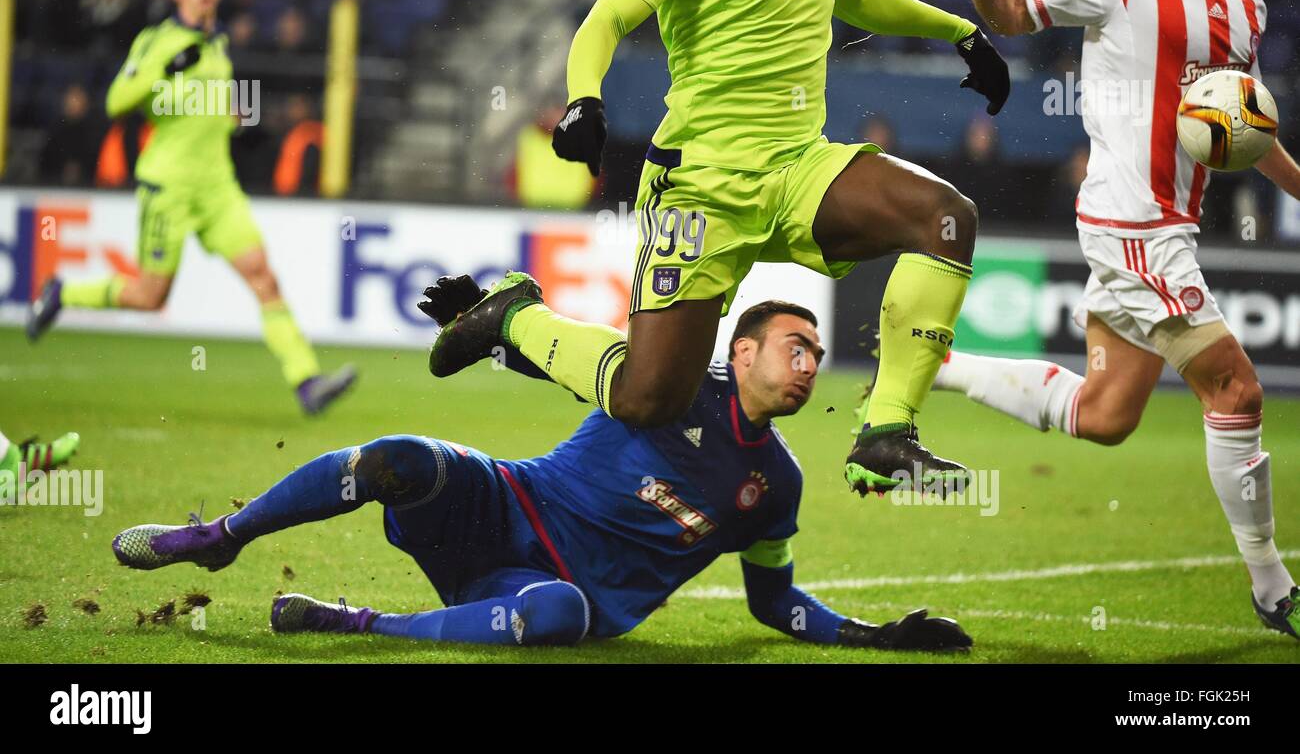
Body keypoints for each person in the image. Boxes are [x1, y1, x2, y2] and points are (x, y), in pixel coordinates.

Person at [429, 0, 1011, 496]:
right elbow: (609, 13)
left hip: (799, 168)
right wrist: (585, 97)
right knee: (649, 400)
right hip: (700, 190)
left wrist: (961, 33)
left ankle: (885, 433)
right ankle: (514, 317)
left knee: (946, 218)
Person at [111, 292, 970, 652]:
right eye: (796, 346)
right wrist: (496, 327)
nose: (813, 363)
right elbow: (564, 363)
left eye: (818, 352)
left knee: (555, 614)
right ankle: (219, 537)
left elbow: (770, 601)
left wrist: (874, 635)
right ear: (742, 352)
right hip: (508, 498)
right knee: (398, 455)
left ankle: (357, 623)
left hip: (554, 587)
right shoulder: (666, 381)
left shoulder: (774, 485)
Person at [930, 0, 1298, 638]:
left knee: (1104, 413)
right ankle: (1274, 587)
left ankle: (939, 365)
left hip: (1165, 229)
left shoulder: (1248, 7)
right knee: (1236, 390)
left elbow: (1246, 131)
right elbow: (1013, 12)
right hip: (1135, 225)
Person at [26, 0, 356, 416]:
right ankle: (63, 292)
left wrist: (234, 118)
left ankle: (307, 382)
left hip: (217, 186)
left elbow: (211, 108)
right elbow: (118, 102)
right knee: (149, 294)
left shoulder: (218, 43)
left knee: (264, 277)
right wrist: (164, 70)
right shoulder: (157, 42)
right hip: (170, 186)